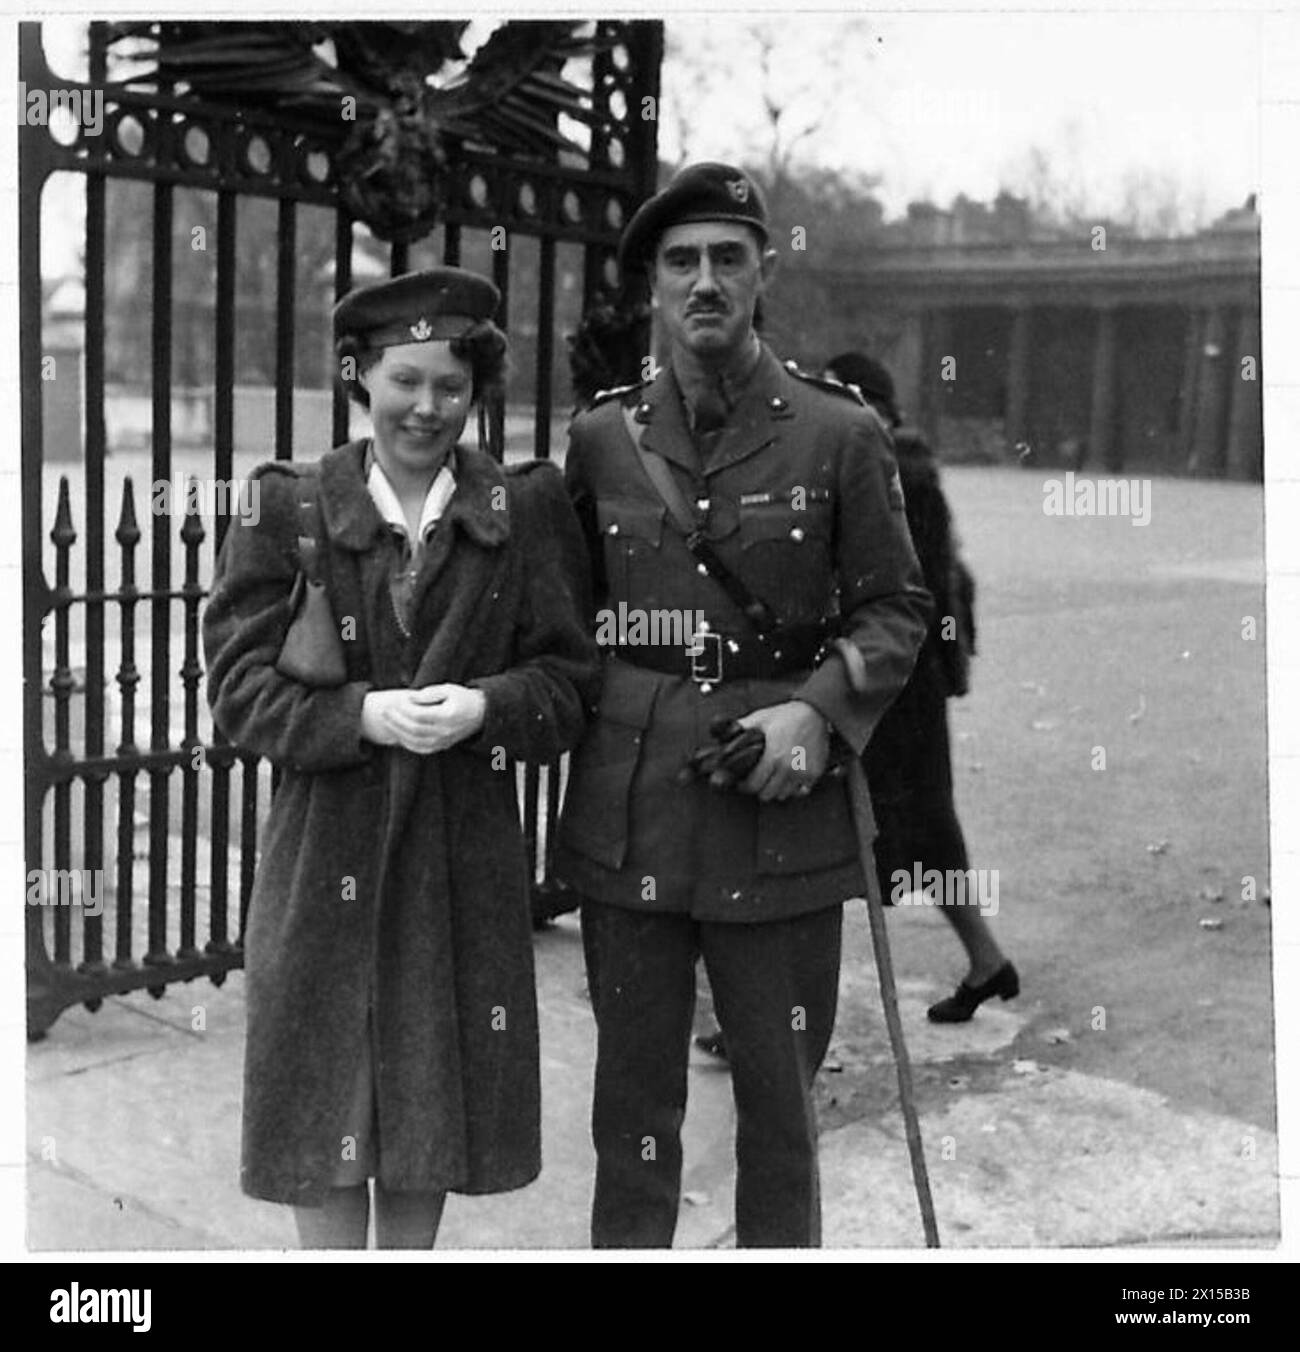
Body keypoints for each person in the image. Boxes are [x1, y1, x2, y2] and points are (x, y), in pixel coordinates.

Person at [556, 162, 932, 1248]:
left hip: (782, 817)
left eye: (728, 257)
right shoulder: (600, 439)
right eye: (682, 262)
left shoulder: (838, 434)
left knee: (778, 1107)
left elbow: (896, 608)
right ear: (652, 288)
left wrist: (817, 713)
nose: (705, 281)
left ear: (764, 271)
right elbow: (562, 618)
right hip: (630, 818)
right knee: (630, 1113)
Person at [202, 267, 599, 1248]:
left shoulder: (519, 509)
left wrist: (486, 706)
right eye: (405, 380)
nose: (428, 406)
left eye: (452, 387)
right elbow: (235, 692)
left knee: (430, 1107)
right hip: (320, 858)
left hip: (457, 863)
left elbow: (570, 683)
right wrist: (363, 717)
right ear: (357, 376)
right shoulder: (288, 507)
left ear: (478, 393)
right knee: (324, 1105)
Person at [824, 351, 1019, 1022]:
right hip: (906, 681)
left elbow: (914, 588)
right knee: (919, 828)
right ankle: (988, 961)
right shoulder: (896, 462)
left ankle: (774, 1009)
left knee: (842, 833)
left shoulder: (895, 468)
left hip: (894, 685)